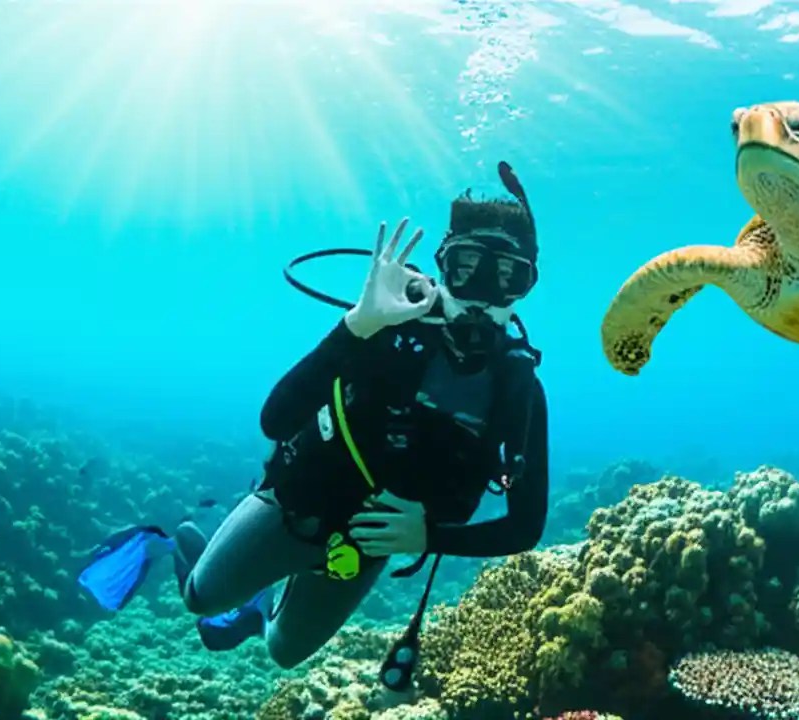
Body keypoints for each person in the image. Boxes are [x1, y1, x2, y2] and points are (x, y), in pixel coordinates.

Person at [78, 162, 549, 682]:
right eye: (466, 267)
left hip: (363, 544)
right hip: (295, 505)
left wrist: (425, 536)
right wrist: (356, 326)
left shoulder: (517, 388)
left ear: (527, 286)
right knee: (201, 600)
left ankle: (260, 607)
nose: (482, 294)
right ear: (441, 267)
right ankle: (182, 536)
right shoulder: (388, 328)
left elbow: (525, 527)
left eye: (508, 277)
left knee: (282, 652)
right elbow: (276, 418)